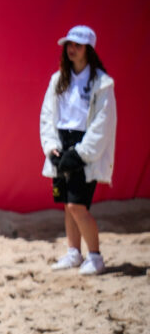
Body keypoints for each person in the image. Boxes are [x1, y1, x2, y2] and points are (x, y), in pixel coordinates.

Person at [39, 25, 117, 275]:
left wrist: (81, 154)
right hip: (62, 144)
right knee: (66, 203)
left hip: (84, 149)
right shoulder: (58, 79)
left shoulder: (102, 83)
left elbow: (102, 124)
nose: (72, 49)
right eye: (69, 45)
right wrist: (51, 147)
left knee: (77, 205)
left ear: (89, 50)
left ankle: (95, 256)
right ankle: (74, 252)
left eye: (77, 45)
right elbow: (47, 115)